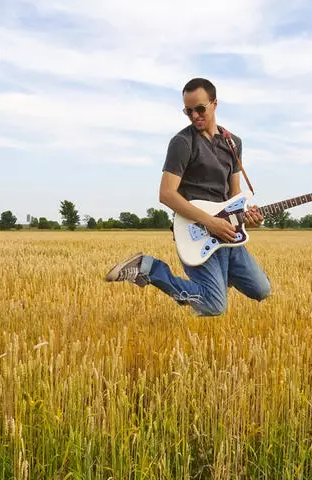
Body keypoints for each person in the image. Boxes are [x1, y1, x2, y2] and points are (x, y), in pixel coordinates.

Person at [104, 78, 271, 316]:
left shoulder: (233, 143)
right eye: (188, 111)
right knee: (214, 307)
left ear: (214, 104)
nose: (194, 116)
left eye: (200, 109)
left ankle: (217, 282)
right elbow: (166, 194)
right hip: (197, 232)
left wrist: (250, 219)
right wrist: (210, 221)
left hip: (228, 232)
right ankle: (149, 269)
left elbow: (235, 193)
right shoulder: (182, 143)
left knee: (262, 290)